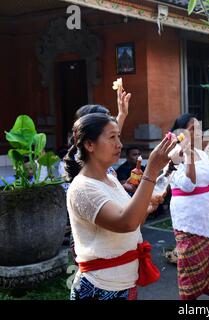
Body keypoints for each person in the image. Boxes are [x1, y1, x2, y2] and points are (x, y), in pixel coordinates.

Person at [64, 113, 175, 300]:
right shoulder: (82, 188)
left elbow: (133, 224)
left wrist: (145, 208)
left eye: (119, 137)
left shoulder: (111, 180)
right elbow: (127, 223)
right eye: (112, 137)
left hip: (123, 284)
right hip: (99, 288)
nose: (119, 144)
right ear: (89, 145)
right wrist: (152, 170)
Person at [167, 113, 209, 300]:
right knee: (189, 266)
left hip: (206, 216)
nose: (198, 132)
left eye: (199, 128)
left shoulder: (202, 153)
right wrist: (188, 154)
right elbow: (189, 185)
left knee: (206, 263)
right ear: (180, 132)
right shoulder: (173, 155)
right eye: (193, 129)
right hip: (188, 220)